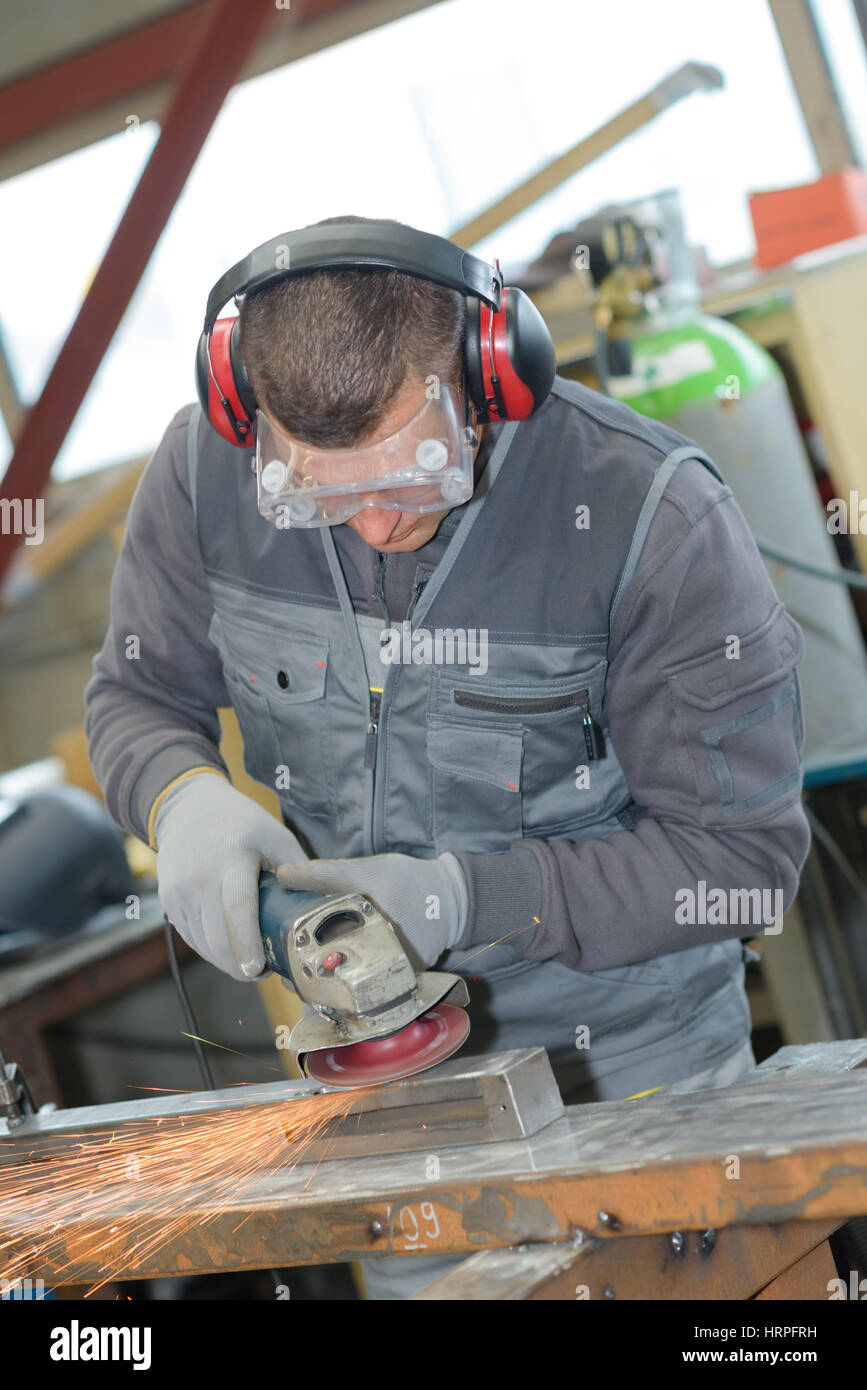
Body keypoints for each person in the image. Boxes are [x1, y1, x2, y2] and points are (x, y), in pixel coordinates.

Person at [85, 215, 810, 1299]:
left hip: (641, 1093)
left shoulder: (647, 513)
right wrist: (179, 795)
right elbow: (137, 694)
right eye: (324, 494)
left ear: (489, 376)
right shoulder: (202, 477)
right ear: (249, 418)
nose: (376, 524)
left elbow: (742, 864)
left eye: (416, 475)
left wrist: (466, 897)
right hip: (395, 1115)